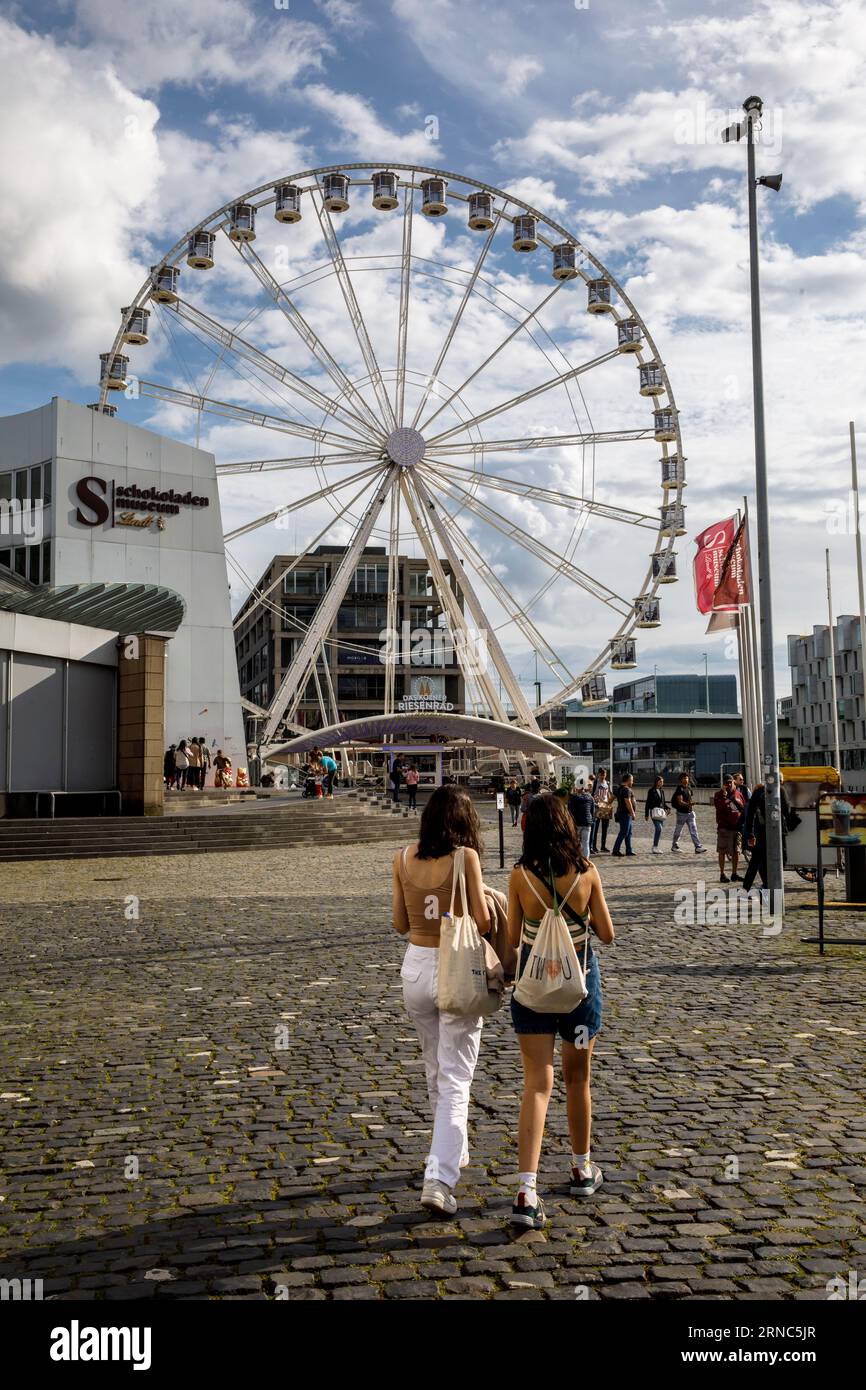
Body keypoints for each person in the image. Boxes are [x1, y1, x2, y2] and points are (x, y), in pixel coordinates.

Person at [507, 792, 615, 1228]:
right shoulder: (588, 872)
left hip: (533, 988)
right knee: (578, 1080)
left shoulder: (519, 876)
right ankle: (581, 1167)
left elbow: (513, 937)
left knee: (536, 1084)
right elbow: (607, 934)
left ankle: (526, 1189)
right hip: (580, 989)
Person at [392, 786, 492, 1216]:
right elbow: (483, 922)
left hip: (415, 966)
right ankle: (439, 1177)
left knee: (435, 1066)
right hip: (455, 968)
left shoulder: (400, 858)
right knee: (456, 1077)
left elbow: (399, 922)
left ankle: (455, 1149)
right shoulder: (465, 858)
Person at [742, 780, 793, 893]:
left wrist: (750, 833)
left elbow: (749, 814)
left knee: (758, 861)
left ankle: (759, 887)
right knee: (780, 859)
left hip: (760, 832)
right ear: (781, 781)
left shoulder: (759, 791)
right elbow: (786, 810)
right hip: (774, 832)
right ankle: (768, 886)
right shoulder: (780, 790)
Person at [714, 774, 746, 883]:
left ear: (734, 782)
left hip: (737, 827)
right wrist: (724, 796)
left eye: (730, 782)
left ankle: (734, 873)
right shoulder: (718, 795)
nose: (728, 785)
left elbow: (743, 809)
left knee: (737, 851)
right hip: (724, 827)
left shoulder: (739, 794)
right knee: (722, 851)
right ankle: (722, 874)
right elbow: (719, 808)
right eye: (726, 783)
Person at [670, 773, 707, 854]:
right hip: (681, 813)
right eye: (684, 778)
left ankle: (698, 847)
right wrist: (689, 804)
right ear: (681, 780)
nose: (686, 779)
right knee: (678, 831)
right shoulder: (679, 789)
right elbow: (680, 802)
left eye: (687, 778)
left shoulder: (689, 788)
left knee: (694, 830)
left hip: (690, 813)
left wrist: (691, 804)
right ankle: (674, 845)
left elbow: (689, 799)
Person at [568, 779, 595, 860]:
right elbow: (592, 810)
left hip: (576, 823)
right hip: (587, 823)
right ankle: (586, 860)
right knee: (586, 843)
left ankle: (576, 859)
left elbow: (570, 811)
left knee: (576, 842)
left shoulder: (573, 798)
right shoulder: (590, 797)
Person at [611, 774, 637, 857]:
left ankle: (629, 850)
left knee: (628, 833)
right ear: (628, 780)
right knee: (623, 832)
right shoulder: (626, 789)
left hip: (622, 813)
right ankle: (615, 850)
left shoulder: (619, 788)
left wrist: (607, 804)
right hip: (625, 814)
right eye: (632, 780)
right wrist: (632, 813)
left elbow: (612, 798)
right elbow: (628, 802)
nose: (633, 782)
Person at [590, 768, 613, 854]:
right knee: (595, 828)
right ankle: (594, 846)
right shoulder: (595, 782)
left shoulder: (607, 783)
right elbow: (592, 794)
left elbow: (609, 793)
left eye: (604, 774)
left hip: (606, 807)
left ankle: (603, 846)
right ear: (598, 774)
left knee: (605, 827)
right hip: (597, 806)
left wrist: (610, 801)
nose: (603, 776)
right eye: (601, 774)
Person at [645, 775, 668, 853]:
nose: (662, 783)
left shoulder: (662, 791)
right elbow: (647, 803)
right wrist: (646, 814)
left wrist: (668, 808)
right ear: (656, 782)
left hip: (661, 813)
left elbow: (663, 803)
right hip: (654, 812)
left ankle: (656, 846)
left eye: (662, 781)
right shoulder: (651, 791)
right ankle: (655, 847)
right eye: (660, 781)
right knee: (659, 828)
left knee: (660, 829)